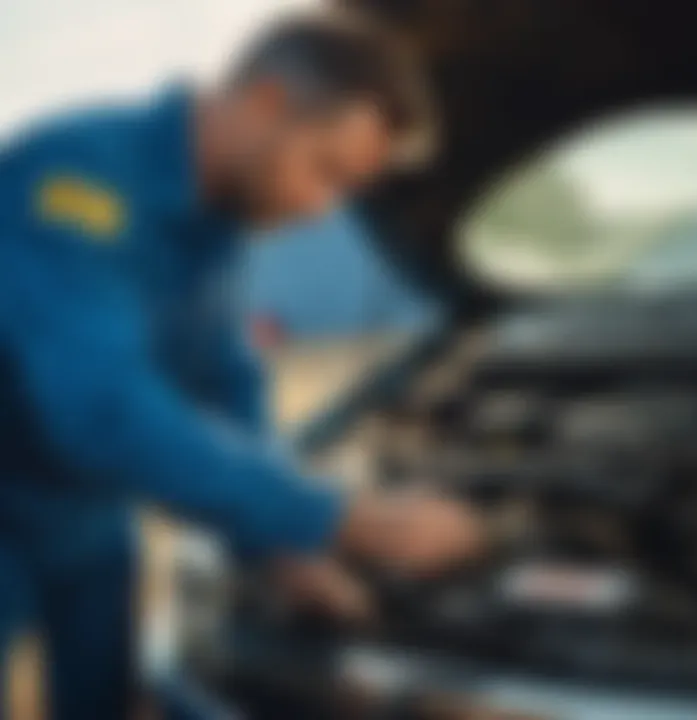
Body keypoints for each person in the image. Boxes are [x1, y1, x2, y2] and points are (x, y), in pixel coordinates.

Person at [0, 13, 486, 719]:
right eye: (324, 171)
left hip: (91, 521)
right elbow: (100, 408)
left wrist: (280, 543)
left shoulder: (220, 223)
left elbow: (229, 382)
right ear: (263, 103)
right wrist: (342, 520)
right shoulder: (76, 176)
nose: (323, 211)